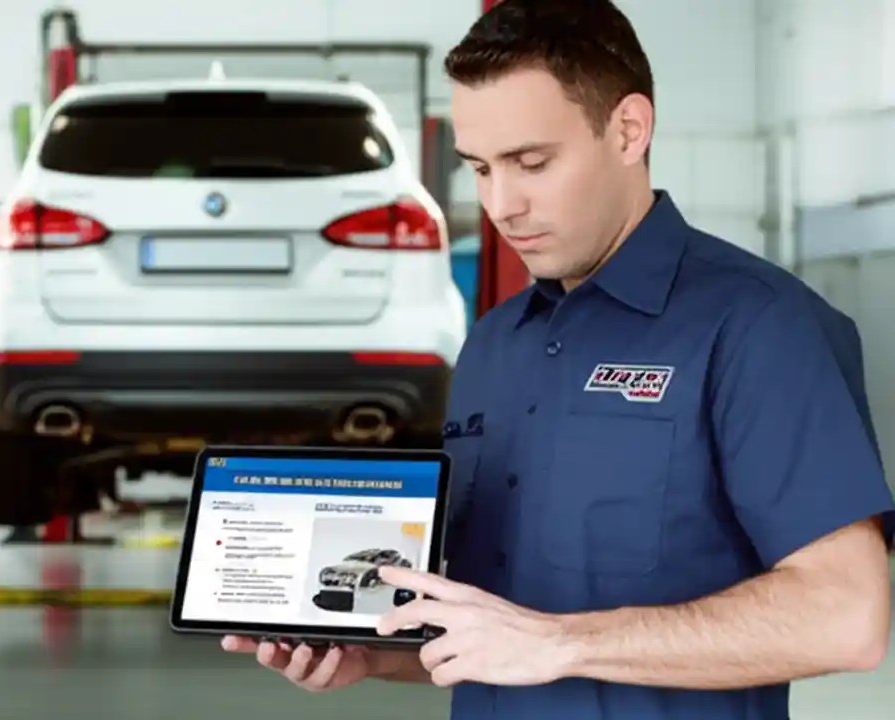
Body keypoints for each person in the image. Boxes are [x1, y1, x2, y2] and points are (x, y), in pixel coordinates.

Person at [221, 1, 895, 717]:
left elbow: (845, 618)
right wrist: (378, 653)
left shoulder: (761, 326)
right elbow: (497, 630)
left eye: (531, 162)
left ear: (629, 130)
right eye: (479, 168)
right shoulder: (493, 343)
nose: (500, 204)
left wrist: (562, 643)